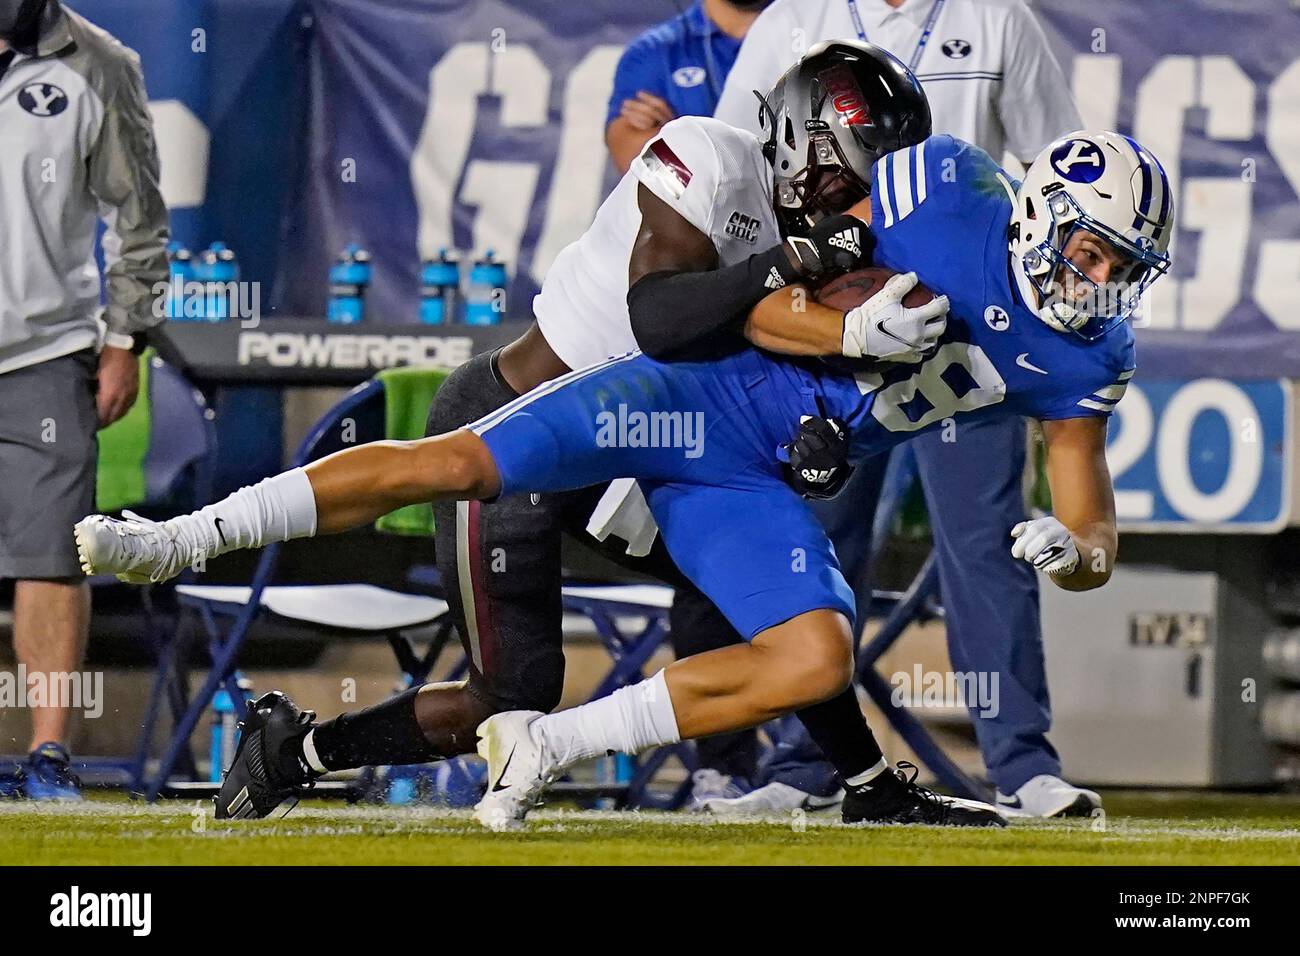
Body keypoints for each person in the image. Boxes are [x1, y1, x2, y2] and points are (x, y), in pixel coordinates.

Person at [77, 115, 1173, 831]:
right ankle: (181, 537)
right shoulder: (938, 189)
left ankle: (551, 742)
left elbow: (1087, 509)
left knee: (814, 650)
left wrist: (1069, 553)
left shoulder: (1090, 353)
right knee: (457, 459)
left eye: (1122, 268)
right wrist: (844, 336)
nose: (1100, 281)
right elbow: (775, 286)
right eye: (1091, 252)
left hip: (747, 483)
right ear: (1036, 211)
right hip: (682, 392)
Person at [710, 0, 1099, 818]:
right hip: (835, 322)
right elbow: (737, 160)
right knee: (809, 547)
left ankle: (1022, 767)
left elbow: (1056, 166)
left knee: (992, 547)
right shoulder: (792, 16)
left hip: (967, 331)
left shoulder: (997, 17)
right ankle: (804, 764)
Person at [0, 0, 167, 799]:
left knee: (51, 556)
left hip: (46, 348)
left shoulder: (101, 65)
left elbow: (139, 221)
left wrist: (126, 337)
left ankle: (47, 756)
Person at [606, 0, 770, 175]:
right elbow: (633, 162)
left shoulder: (799, 34)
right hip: (700, 202)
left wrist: (677, 139)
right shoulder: (652, 53)